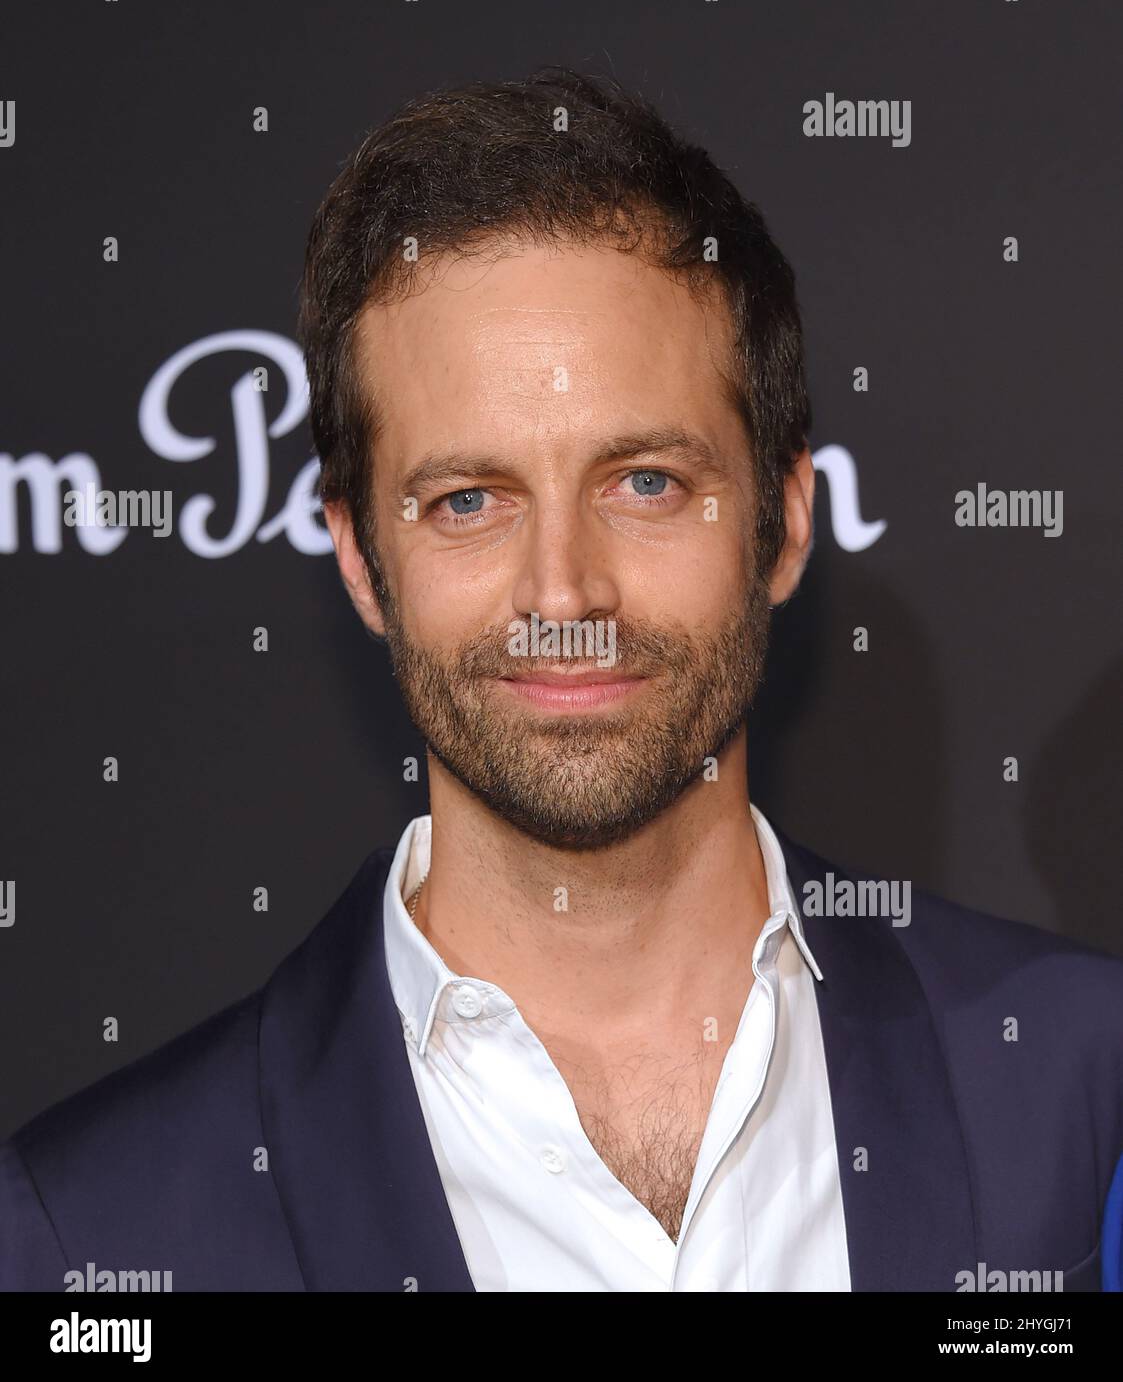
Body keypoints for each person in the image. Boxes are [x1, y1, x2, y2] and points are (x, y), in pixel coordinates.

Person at [3, 67, 1121, 1293]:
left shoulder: (1079, 1077)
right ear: (360, 560)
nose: (563, 592)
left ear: (786, 522)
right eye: (468, 502)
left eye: (644, 481)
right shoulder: (91, 1237)